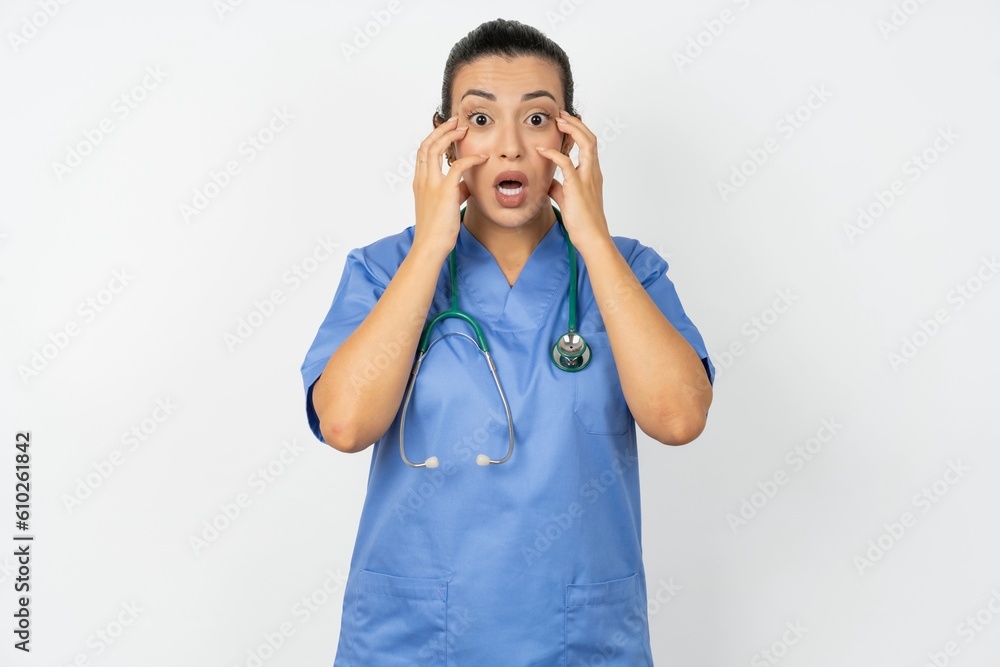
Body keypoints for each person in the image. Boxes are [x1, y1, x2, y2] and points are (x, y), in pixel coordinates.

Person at [300, 18, 715, 665]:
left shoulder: (628, 270)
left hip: (577, 641)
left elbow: (679, 417)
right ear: (444, 138)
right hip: (414, 641)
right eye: (481, 119)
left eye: (538, 119)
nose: (512, 147)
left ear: (570, 137)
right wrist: (431, 246)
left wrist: (593, 238)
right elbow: (346, 424)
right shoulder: (384, 271)